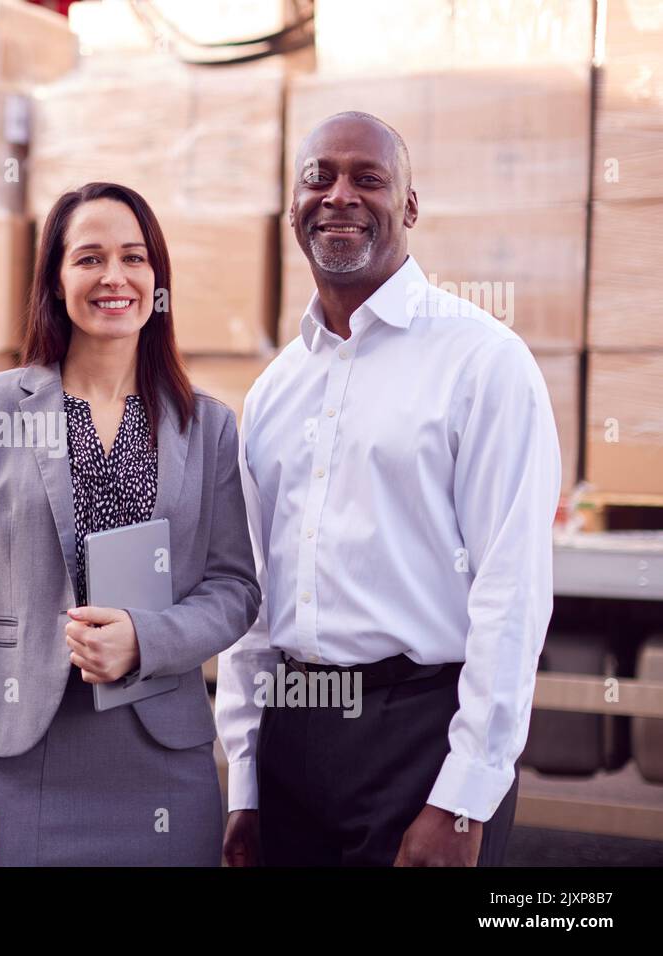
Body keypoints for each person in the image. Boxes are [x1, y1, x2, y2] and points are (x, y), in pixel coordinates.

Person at [216, 112, 561, 866]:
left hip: (421, 739)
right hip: (293, 734)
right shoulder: (275, 389)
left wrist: (464, 799)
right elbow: (255, 605)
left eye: (367, 179)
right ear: (293, 206)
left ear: (409, 207)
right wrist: (246, 783)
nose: (339, 196)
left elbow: (512, 593)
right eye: (319, 178)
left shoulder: (483, 362)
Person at [0, 181, 261, 866]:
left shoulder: (210, 426)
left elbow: (235, 589)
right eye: (89, 258)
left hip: (162, 760)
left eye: (134, 258)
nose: (114, 277)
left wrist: (148, 637)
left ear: (156, 279)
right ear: (54, 278)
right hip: (20, 761)